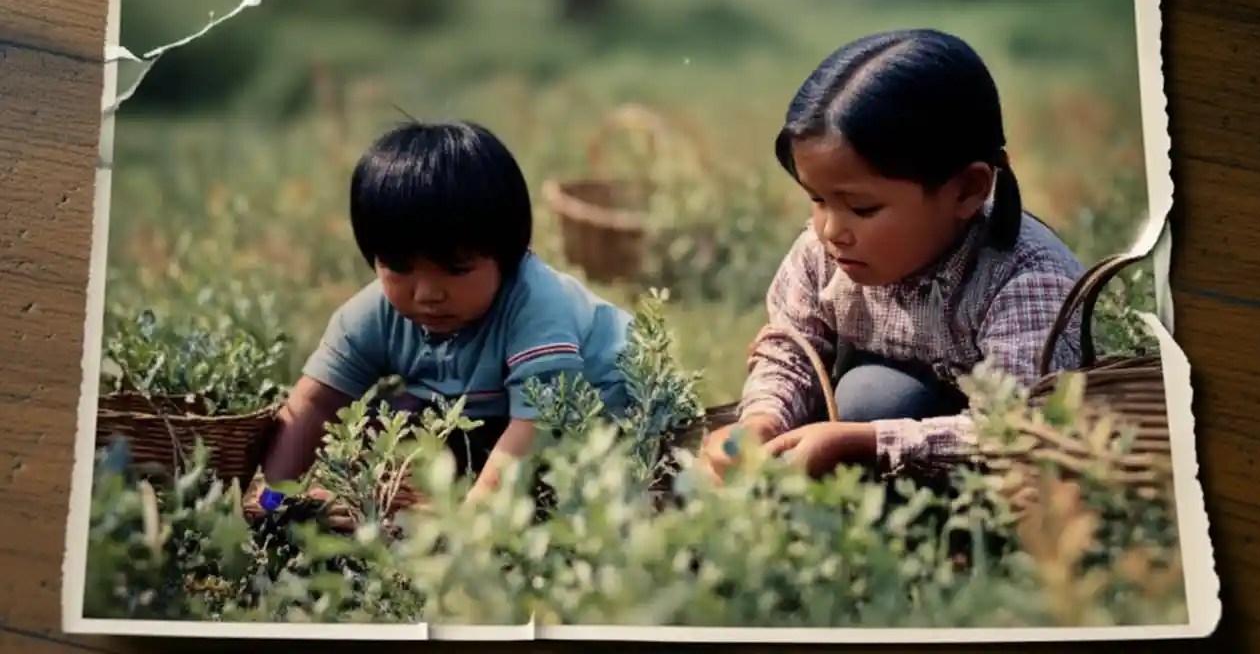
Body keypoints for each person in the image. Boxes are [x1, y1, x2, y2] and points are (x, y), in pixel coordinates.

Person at [699, 29, 1085, 484]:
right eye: (818, 200)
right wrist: (761, 421)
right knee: (865, 396)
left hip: (986, 481)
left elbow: (1019, 429)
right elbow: (790, 349)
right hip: (865, 433)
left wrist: (864, 442)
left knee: (874, 399)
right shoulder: (824, 254)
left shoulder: (1025, 279)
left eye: (862, 208)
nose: (831, 230)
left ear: (966, 190)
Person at [255, 120, 635, 507]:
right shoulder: (374, 314)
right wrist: (271, 501)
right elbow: (315, 403)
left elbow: (535, 430)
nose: (427, 293)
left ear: (508, 257)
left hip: (603, 409)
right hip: (494, 412)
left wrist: (465, 532)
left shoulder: (537, 306)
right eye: (399, 268)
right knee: (389, 420)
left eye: (455, 269)